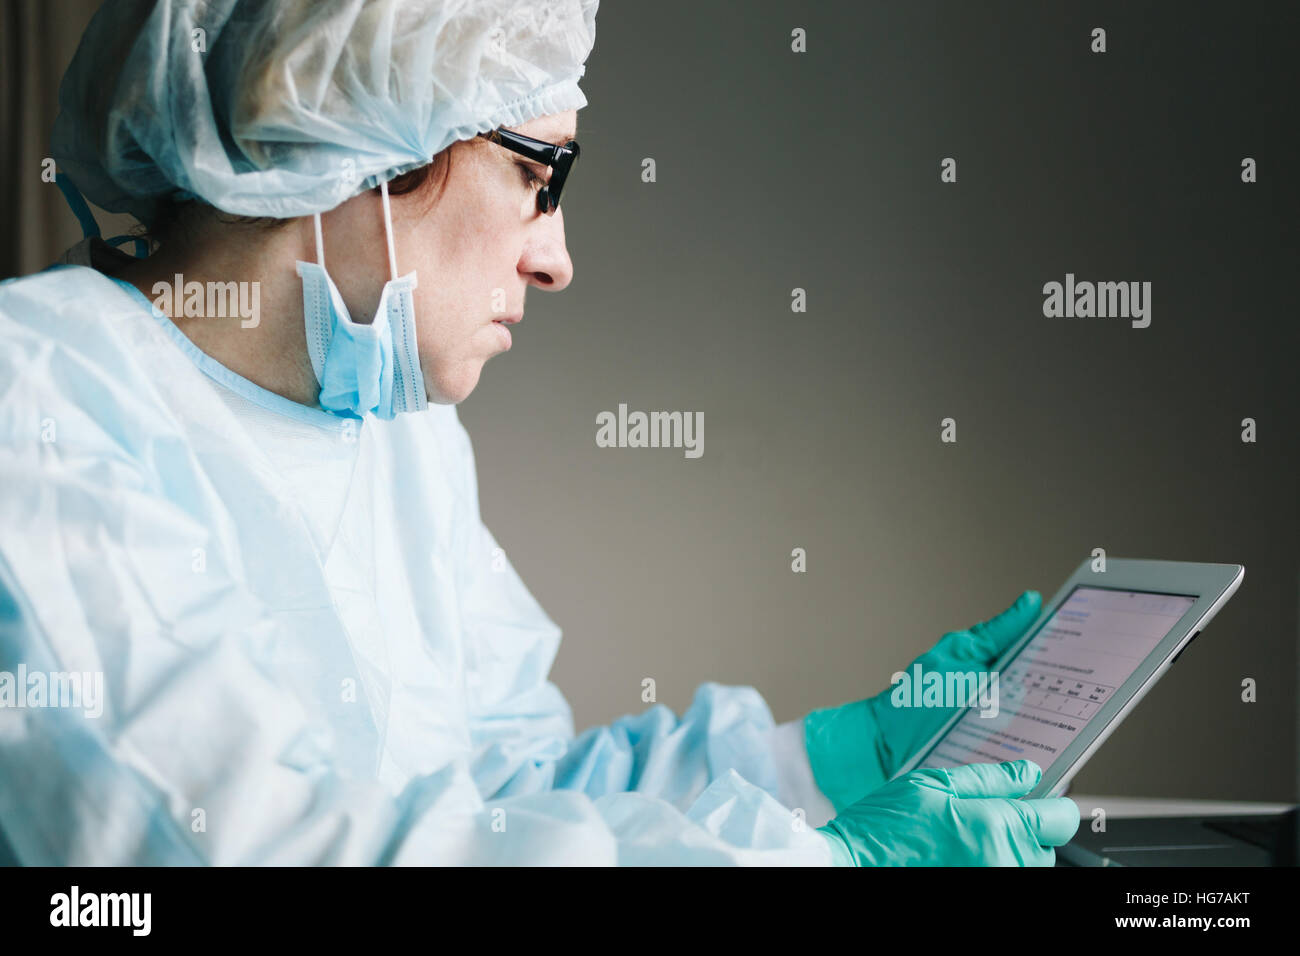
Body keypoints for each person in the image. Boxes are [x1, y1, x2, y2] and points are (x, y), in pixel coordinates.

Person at [0, 0, 1078, 865]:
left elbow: (508, 803)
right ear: (368, 142)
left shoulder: (393, 432)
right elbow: (236, 844)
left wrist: (834, 765)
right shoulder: (36, 396)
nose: (555, 260)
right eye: (538, 174)